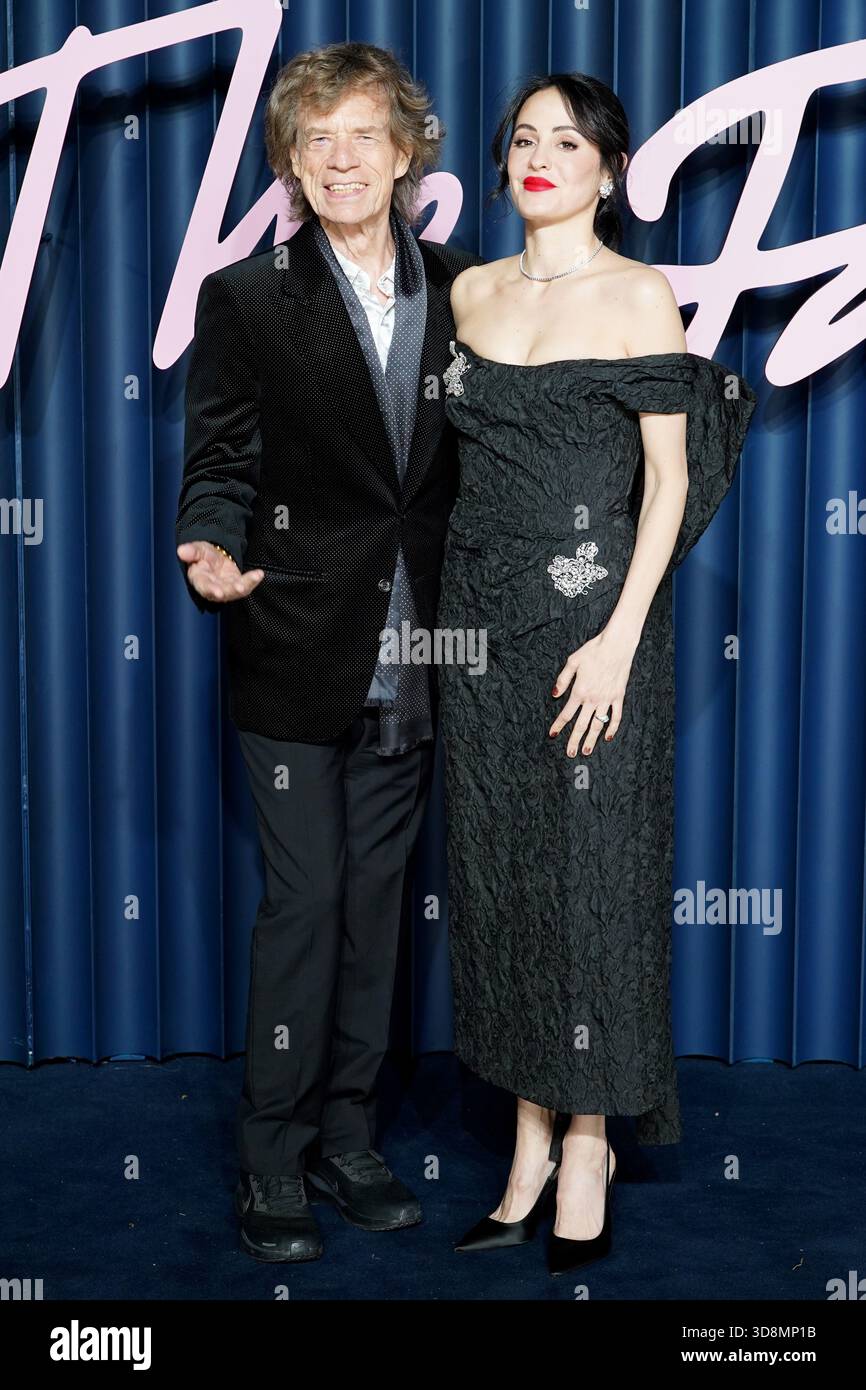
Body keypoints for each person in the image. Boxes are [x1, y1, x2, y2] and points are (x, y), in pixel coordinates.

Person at [436, 73, 757, 1275]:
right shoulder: (466, 290)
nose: (537, 157)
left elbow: (666, 487)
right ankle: (523, 1135)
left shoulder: (638, 294)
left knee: (591, 879)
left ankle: (585, 1141)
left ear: (606, 171)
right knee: (504, 874)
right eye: (522, 138)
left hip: (595, 632)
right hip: (480, 633)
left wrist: (620, 637)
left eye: (565, 142)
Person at [175, 41, 481, 1263]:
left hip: (421, 645)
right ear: (291, 162)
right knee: (303, 906)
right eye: (316, 139)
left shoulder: (467, 289)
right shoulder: (248, 297)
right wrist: (206, 543)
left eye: (362, 134)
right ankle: (270, 1156)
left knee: (374, 906)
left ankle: (348, 1135)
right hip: (294, 642)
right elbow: (221, 461)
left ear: (406, 151)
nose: (340, 157)